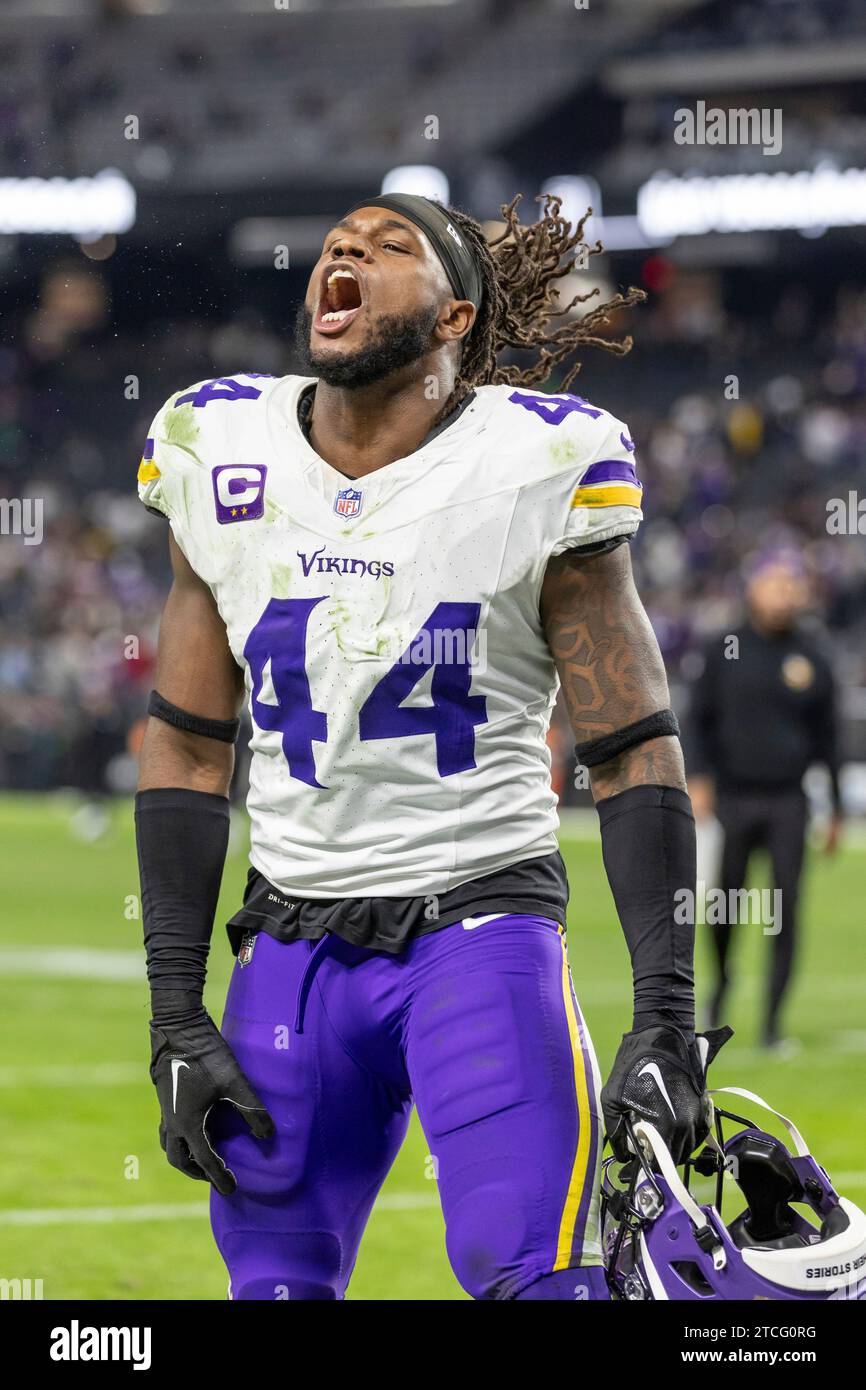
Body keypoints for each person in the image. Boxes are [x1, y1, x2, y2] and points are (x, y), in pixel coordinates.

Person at [134, 192, 722, 1301]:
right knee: (268, 1283)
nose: (345, 248)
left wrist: (665, 1016)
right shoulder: (219, 445)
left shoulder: (540, 459)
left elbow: (632, 745)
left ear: (454, 320)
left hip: (478, 934)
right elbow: (186, 744)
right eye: (335, 240)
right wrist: (173, 1007)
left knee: (531, 1273)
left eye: (390, 244)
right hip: (289, 951)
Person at [688, 549, 843, 1050]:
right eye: (773, 582)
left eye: (791, 583)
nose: (783, 592)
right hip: (732, 796)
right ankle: (721, 986)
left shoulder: (813, 655)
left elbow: (830, 737)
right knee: (723, 905)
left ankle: (773, 1024)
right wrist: (700, 777)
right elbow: (697, 718)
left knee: (786, 907)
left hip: (788, 802)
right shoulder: (723, 646)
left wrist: (835, 806)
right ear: (753, 587)